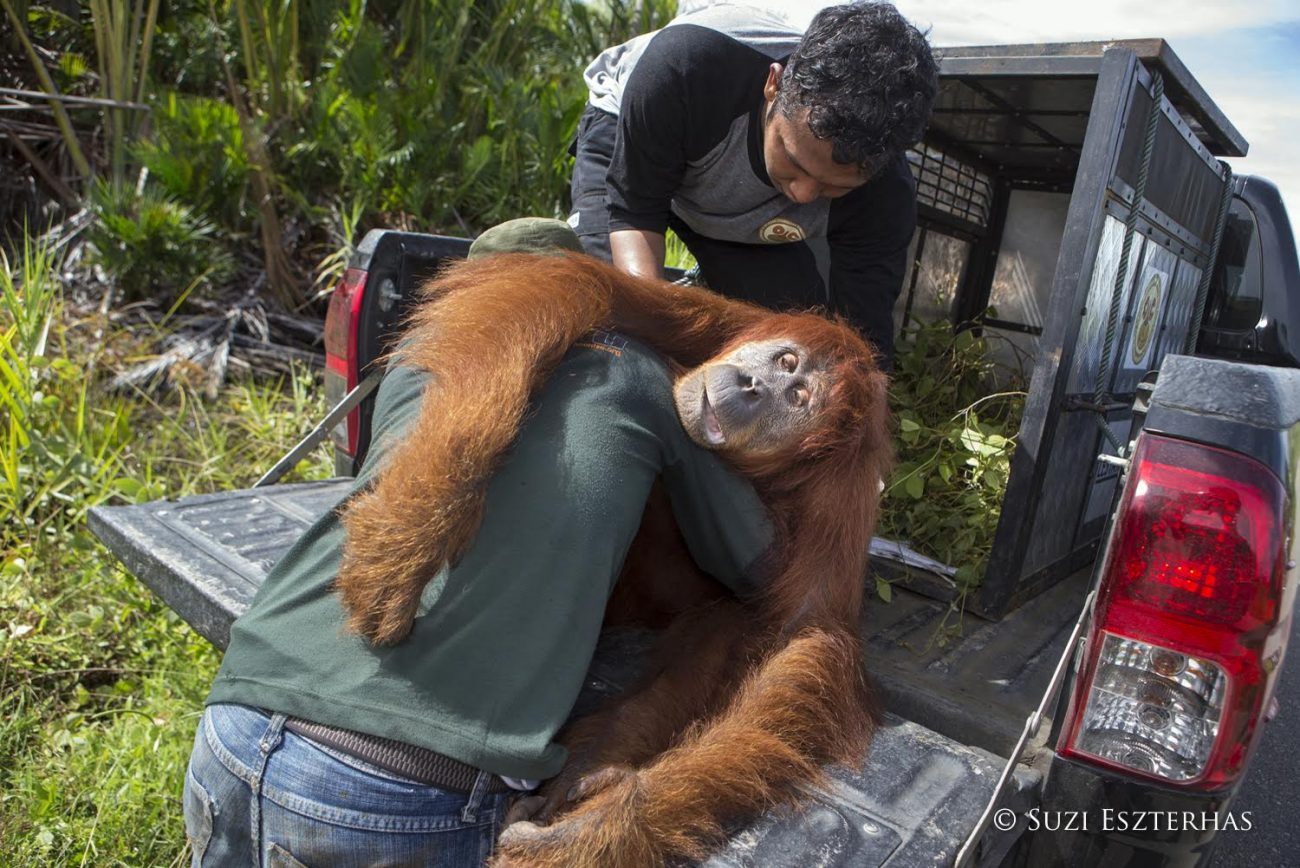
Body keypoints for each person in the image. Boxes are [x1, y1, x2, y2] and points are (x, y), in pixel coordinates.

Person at [180, 219, 773, 867]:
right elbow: (758, 567)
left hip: (235, 724)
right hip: (400, 796)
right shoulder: (642, 378)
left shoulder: (414, 357)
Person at [569, 1, 937, 369]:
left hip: (734, 207)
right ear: (773, 84)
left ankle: (690, 292)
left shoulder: (885, 193)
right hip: (631, 139)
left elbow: (864, 341)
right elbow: (635, 213)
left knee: (780, 335)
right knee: (608, 314)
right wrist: (651, 344)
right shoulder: (684, 68)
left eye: (832, 187)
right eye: (794, 162)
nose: (803, 194)